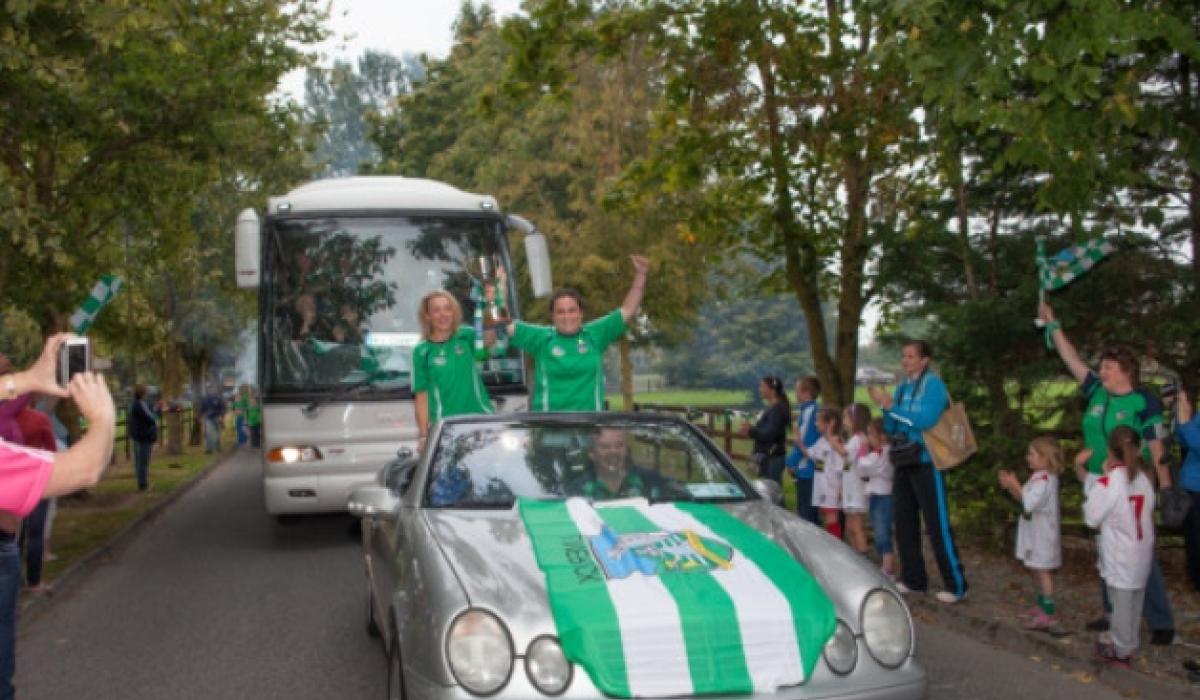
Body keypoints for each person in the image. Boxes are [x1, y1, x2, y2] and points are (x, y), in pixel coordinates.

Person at [1039, 302, 1175, 643]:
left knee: (1137, 550)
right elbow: (1071, 359)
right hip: (1097, 481)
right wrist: (1053, 326)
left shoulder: (1145, 401)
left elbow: (1157, 448)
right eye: (1102, 366)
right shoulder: (1097, 391)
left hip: (1130, 485)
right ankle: (1113, 611)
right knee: (1106, 549)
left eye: (1109, 367)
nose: (1102, 371)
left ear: (1126, 371)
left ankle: (1160, 621)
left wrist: (1167, 489)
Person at [868, 339, 968, 604]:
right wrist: (885, 407)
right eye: (903, 356)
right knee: (904, 524)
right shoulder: (902, 387)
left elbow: (926, 420)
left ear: (924, 360)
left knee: (937, 525)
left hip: (927, 461)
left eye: (911, 356)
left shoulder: (932, 384)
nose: (906, 361)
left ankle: (956, 585)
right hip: (903, 461)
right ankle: (914, 579)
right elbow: (890, 427)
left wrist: (892, 408)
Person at [506, 255, 649, 412]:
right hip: (550, 429)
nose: (567, 317)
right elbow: (504, 324)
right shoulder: (541, 338)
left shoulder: (595, 334)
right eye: (560, 312)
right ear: (552, 316)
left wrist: (641, 275)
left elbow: (628, 310)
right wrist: (497, 294)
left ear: (581, 313)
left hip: (589, 426)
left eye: (572, 310)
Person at [1083, 426, 1156, 667]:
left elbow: (1091, 517)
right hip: (1142, 550)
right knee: (1135, 599)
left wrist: (1102, 477)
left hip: (1120, 553)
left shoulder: (1111, 481)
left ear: (1109, 450)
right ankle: (1129, 641)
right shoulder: (1144, 477)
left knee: (1121, 602)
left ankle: (1121, 648)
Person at [412, 290, 495, 450]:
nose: (443, 314)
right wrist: (423, 436)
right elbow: (421, 397)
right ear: (427, 316)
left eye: (447, 308)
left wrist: (491, 304)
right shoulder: (421, 351)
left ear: (454, 312)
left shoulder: (466, 336)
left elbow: (489, 339)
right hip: (446, 429)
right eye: (436, 310)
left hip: (481, 421)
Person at [997, 436, 1063, 633]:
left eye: (1032, 454)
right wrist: (1011, 487)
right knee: (1035, 567)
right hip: (1035, 534)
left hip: (1043, 536)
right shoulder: (1037, 476)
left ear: (1045, 458)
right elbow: (1023, 498)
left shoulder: (1046, 480)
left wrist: (1015, 484)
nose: (1028, 458)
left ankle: (1049, 613)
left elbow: (1029, 502)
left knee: (1043, 571)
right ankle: (1042, 605)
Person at [1166, 385, 1200, 590]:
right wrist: (1179, 414)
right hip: (1190, 488)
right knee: (1193, 543)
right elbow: (1183, 439)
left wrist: (1186, 423)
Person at [579, 427, 672, 501]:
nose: (613, 451)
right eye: (605, 447)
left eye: (619, 445)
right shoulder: (577, 490)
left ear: (627, 450)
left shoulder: (652, 482)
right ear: (592, 453)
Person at [858, 418, 896, 580]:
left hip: (884, 496)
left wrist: (863, 452)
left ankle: (888, 567)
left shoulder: (886, 452)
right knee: (878, 529)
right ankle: (885, 563)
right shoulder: (878, 453)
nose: (869, 438)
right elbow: (865, 471)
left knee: (882, 531)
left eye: (871, 435)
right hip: (875, 495)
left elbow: (866, 467)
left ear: (882, 436)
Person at [802, 407, 845, 539]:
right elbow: (811, 455)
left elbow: (842, 467)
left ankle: (836, 547)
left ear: (829, 423)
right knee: (827, 519)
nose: (816, 424)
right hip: (822, 488)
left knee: (832, 519)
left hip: (832, 488)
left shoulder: (836, 442)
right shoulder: (820, 441)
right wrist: (799, 442)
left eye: (818, 421)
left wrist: (841, 489)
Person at [739, 376, 790, 484]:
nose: (760, 389)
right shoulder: (775, 407)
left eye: (762, 386)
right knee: (770, 492)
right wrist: (751, 429)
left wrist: (751, 431)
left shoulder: (778, 409)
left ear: (772, 389)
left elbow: (770, 433)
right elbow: (768, 429)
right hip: (768, 457)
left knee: (772, 493)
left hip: (773, 458)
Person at [785, 376, 821, 524]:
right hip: (812, 466)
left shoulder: (809, 412)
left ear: (806, 393)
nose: (795, 394)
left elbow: (802, 439)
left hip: (807, 467)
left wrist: (791, 462)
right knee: (810, 508)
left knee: (806, 511)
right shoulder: (811, 410)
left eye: (797, 391)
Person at [841, 403, 871, 555]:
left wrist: (833, 442)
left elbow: (846, 455)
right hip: (850, 488)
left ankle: (862, 556)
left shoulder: (858, 440)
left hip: (856, 489)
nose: (843, 421)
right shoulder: (854, 439)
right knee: (851, 526)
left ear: (855, 419)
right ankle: (856, 554)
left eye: (845, 417)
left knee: (857, 526)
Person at [127, 385, 158, 491]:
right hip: (143, 436)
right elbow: (150, 418)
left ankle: (142, 482)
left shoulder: (138, 404)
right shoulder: (138, 404)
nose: (147, 394)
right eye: (146, 392)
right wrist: (155, 415)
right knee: (143, 461)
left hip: (140, 435)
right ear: (143, 393)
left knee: (140, 461)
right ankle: (143, 484)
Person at [199, 387, 225, 454]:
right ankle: (209, 449)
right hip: (208, 418)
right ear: (208, 390)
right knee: (209, 433)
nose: (211, 391)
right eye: (210, 389)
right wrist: (201, 416)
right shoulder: (205, 399)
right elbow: (202, 408)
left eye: (212, 389)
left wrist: (221, 416)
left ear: (214, 390)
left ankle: (218, 447)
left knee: (217, 433)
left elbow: (222, 408)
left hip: (217, 416)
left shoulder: (218, 398)